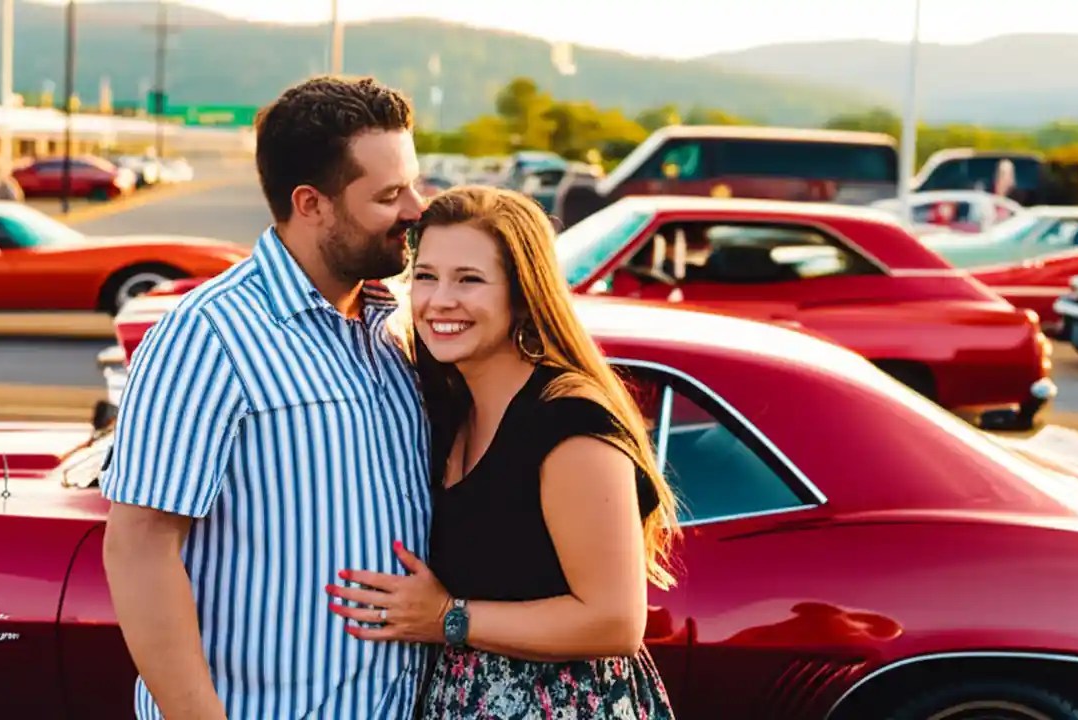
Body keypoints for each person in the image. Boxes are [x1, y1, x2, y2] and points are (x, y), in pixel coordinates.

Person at [100, 76, 431, 719]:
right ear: (311, 203)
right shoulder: (209, 336)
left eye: (413, 184)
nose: (416, 209)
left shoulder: (395, 329)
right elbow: (138, 548)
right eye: (390, 194)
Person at [326, 186, 680, 719]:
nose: (439, 300)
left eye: (469, 279)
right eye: (426, 276)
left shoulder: (570, 424)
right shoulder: (445, 406)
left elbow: (616, 621)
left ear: (520, 294)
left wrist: (448, 617)